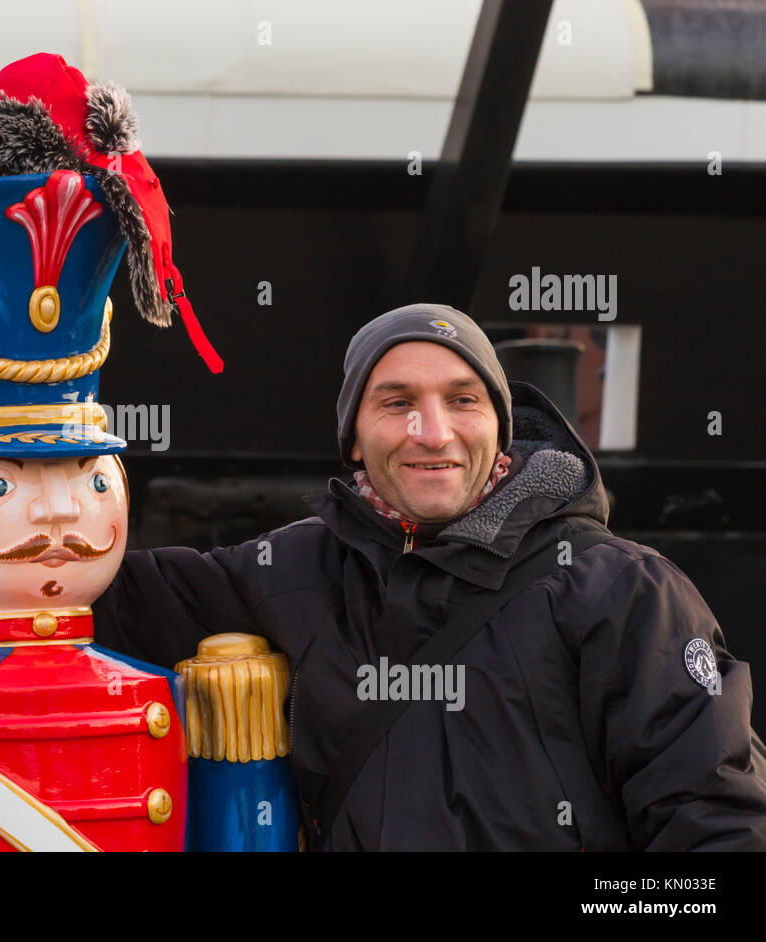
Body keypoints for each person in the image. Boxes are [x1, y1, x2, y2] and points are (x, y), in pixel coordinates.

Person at [93, 302, 766, 850]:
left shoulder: (623, 593)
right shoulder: (288, 573)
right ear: (353, 437)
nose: (433, 431)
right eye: (396, 402)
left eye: (463, 400)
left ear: (500, 429)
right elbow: (79, 587)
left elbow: (715, 827)